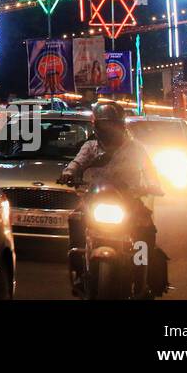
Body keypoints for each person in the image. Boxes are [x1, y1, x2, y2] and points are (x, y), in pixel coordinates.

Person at [60, 102, 165, 296]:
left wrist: (153, 185)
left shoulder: (135, 148)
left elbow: (150, 172)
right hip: (95, 200)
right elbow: (77, 163)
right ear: (96, 126)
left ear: (121, 125)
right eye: (104, 125)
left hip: (128, 200)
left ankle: (143, 275)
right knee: (75, 220)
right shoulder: (90, 147)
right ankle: (79, 269)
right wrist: (68, 173)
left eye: (113, 125)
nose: (109, 130)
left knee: (145, 230)